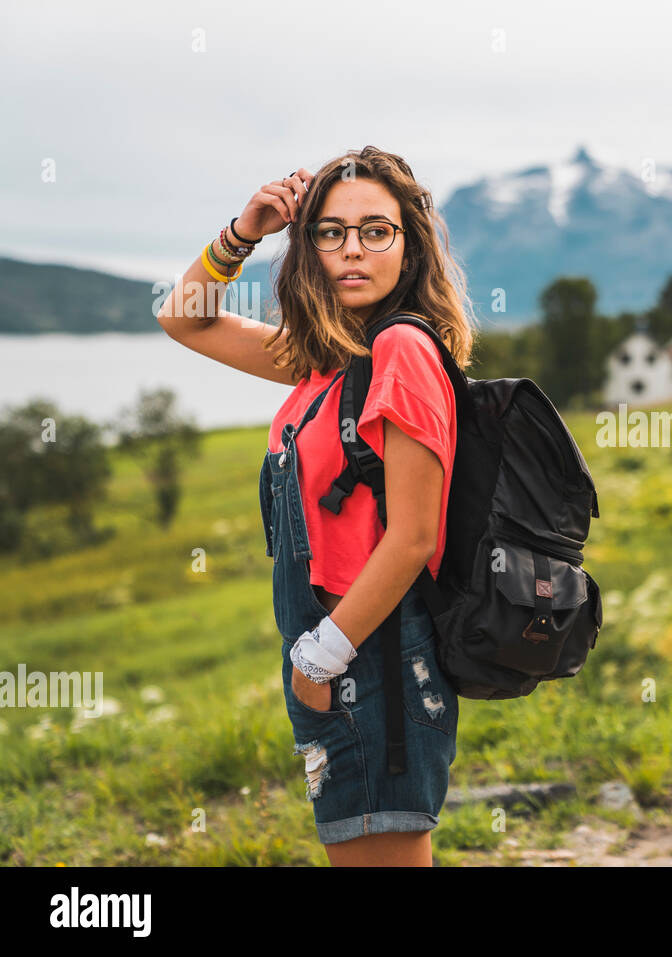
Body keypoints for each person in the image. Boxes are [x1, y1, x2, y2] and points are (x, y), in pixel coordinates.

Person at [155, 145, 478, 866]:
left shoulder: (401, 350)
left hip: (371, 655)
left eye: (376, 231)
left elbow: (414, 535)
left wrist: (321, 659)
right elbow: (184, 319)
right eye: (331, 232)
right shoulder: (329, 359)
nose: (352, 250)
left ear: (410, 245)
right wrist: (244, 231)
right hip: (335, 653)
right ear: (309, 250)